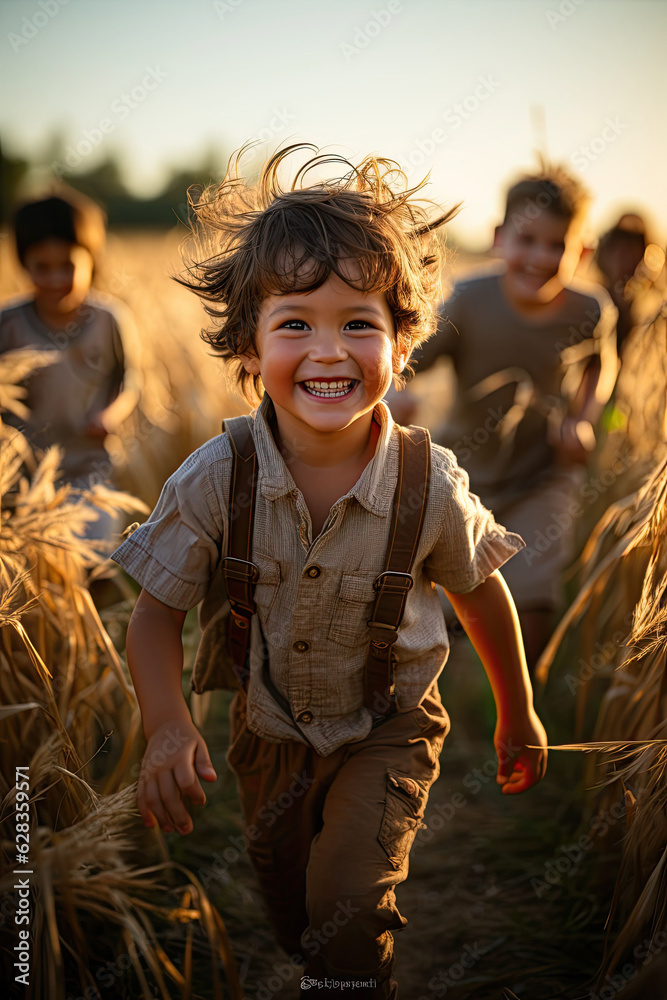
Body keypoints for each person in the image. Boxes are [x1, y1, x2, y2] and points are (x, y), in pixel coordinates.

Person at [110, 146, 548, 999]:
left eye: (358, 322)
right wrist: (167, 724)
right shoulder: (215, 476)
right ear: (247, 344)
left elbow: (478, 589)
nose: (328, 350)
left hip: (387, 729)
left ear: (401, 341)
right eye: (295, 323)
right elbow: (156, 613)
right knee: (296, 915)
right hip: (266, 736)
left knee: (346, 909)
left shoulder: (427, 482)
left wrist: (517, 710)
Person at [409, 164, 618, 668]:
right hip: (462, 471)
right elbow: (415, 357)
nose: (540, 257)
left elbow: (599, 366)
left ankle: (522, 695)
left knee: (535, 590)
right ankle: (449, 681)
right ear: (500, 238)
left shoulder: (589, 309)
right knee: (442, 586)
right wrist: (396, 393)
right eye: (527, 240)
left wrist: (584, 418)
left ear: (582, 251)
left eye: (557, 246)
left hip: (544, 473)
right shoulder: (471, 300)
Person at [0, 189, 141, 542]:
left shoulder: (109, 320)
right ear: (23, 265)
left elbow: (129, 380)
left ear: (92, 262)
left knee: (94, 557)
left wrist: (110, 416)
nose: (55, 279)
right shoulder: (8, 325)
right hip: (18, 479)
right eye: (41, 268)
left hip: (88, 472)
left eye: (68, 266)